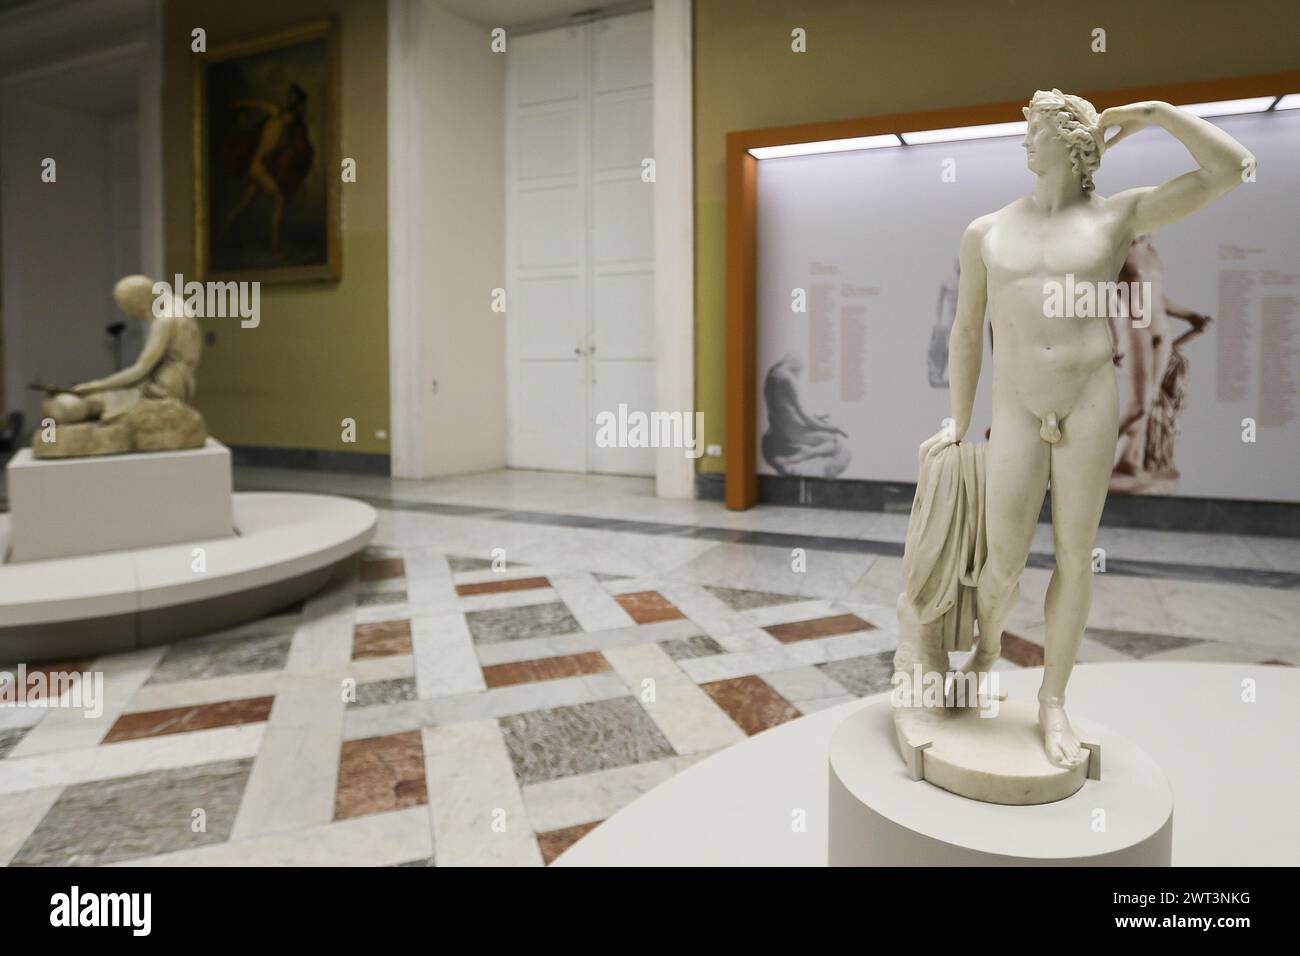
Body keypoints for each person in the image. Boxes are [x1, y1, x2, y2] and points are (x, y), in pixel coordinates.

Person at [934, 89, 1254, 767]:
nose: (1025, 140)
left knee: (1075, 557)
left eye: (1036, 129)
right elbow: (967, 332)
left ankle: (1053, 700)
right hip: (1016, 407)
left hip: (1087, 401)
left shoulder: (1118, 216)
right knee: (1002, 563)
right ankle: (987, 649)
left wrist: (1159, 114)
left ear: (1072, 143)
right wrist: (957, 421)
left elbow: (1231, 169)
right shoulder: (985, 230)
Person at [1111, 235, 1212, 486]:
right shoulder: (1119, 250)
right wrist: (1113, 340)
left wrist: (1190, 315)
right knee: (1139, 407)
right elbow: (1104, 296)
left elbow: (1157, 298)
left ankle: (1130, 459)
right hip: (1136, 330)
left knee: (1150, 402)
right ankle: (1084, 458)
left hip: (1160, 330)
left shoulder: (1151, 252)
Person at [42, 276, 202, 426]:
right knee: (108, 395)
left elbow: (140, 370)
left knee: (102, 400)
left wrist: (95, 386)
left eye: (128, 307)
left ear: (139, 302)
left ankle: (80, 406)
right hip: (180, 382)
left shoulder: (164, 321)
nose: (128, 313)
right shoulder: (177, 305)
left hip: (163, 387)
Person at [219, 83, 315, 255]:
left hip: (262, 166)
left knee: (245, 202)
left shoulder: (290, 123)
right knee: (279, 198)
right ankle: (275, 244)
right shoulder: (277, 112)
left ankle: (226, 226)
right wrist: (239, 104)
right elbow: (256, 104)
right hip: (258, 166)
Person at [760, 353, 851, 477]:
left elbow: (785, 411)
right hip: (794, 432)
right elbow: (804, 416)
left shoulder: (772, 374)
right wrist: (833, 428)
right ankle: (805, 454)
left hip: (781, 430)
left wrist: (815, 418)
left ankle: (802, 454)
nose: (798, 377)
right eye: (799, 374)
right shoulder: (788, 380)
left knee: (828, 438)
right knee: (833, 441)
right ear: (797, 368)